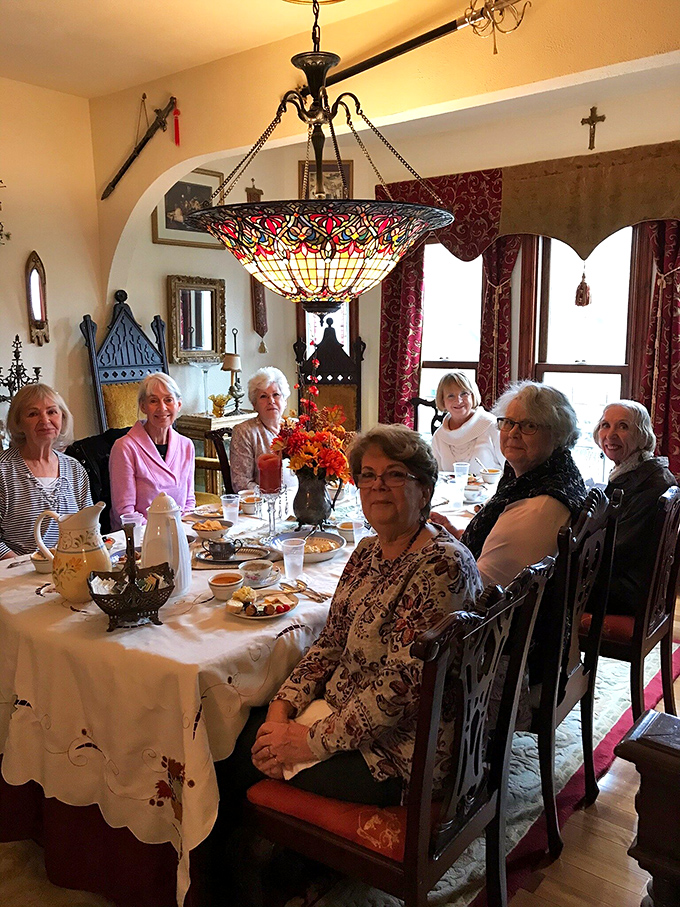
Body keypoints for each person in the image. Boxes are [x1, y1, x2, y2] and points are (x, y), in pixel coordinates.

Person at [217, 424, 481, 819]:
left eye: (395, 475)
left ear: (424, 489)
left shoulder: (442, 565)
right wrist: (281, 709)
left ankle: (257, 871)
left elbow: (399, 691)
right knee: (240, 733)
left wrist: (306, 742)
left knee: (236, 757)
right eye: (368, 476)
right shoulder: (368, 550)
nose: (378, 486)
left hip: (402, 753)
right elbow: (329, 642)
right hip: (344, 718)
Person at [433, 381, 587, 588]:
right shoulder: (548, 474)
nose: (513, 432)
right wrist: (454, 534)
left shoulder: (537, 508)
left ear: (558, 435)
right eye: (508, 422)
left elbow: (477, 588)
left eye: (529, 425)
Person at [593, 400, 675, 615]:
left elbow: (617, 549)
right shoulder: (639, 471)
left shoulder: (650, 484)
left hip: (626, 591)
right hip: (627, 581)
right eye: (605, 425)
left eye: (623, 426)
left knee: (543, 590)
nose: (610, 435)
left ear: (642, 435)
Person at [0, 383, 92, 559]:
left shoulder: (75, 469)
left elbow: (89, 527)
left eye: (52, 412)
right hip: (16, 575)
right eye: (33, 414)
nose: (45, 420)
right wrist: (26, 565)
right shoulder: (3, 470)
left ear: (62, 418)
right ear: (18, 423)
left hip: (71, 568)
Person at [109, 373, 195, 530]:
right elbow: (125, 512)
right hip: (139, 537)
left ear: (178, 404)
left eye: (168, 400)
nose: (162, 408)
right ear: (143, 406)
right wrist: (161, 533)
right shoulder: (124, 448)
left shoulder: (186, 445)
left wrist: (181, 531)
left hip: (179, 533)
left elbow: (189, 502)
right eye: (153, 401)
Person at [230, 367, 294, 492]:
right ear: (254, 405)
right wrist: (270, 495)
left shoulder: (295, 428)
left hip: (300, 499)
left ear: (284, 401)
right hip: (262, 503)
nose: (271, 401)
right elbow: (241, 483)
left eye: (276, 395)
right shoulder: (245, 432)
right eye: (263, 397)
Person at [431, 371, 504, 472]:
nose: (458, 401)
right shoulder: (439, 436)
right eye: (451, 396)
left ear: (473, 396)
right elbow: (437, 476)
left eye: (464, 394)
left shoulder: (492, 425)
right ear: (443, 400)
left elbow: (509, 470)